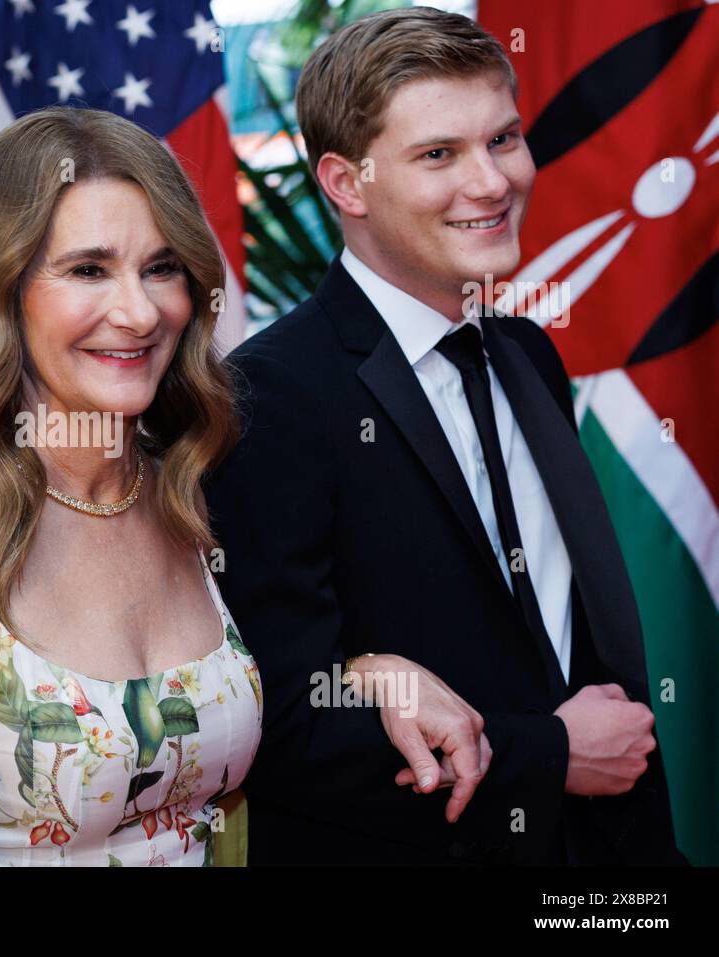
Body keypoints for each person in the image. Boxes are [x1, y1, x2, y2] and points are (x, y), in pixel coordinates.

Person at [0, 105, 489, 866]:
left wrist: (370, 671)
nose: (139, 311)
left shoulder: (195, 495)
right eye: (88, 270)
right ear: (0, 293)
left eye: (161, 268)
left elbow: (268, 694)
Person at [205, 7, 686, 865]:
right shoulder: (268, 394)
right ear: (347, 184)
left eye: (503, 139)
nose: (493, 181)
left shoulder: (528, 352)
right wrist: (549, 754)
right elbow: (279, 723)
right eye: (439, 154)